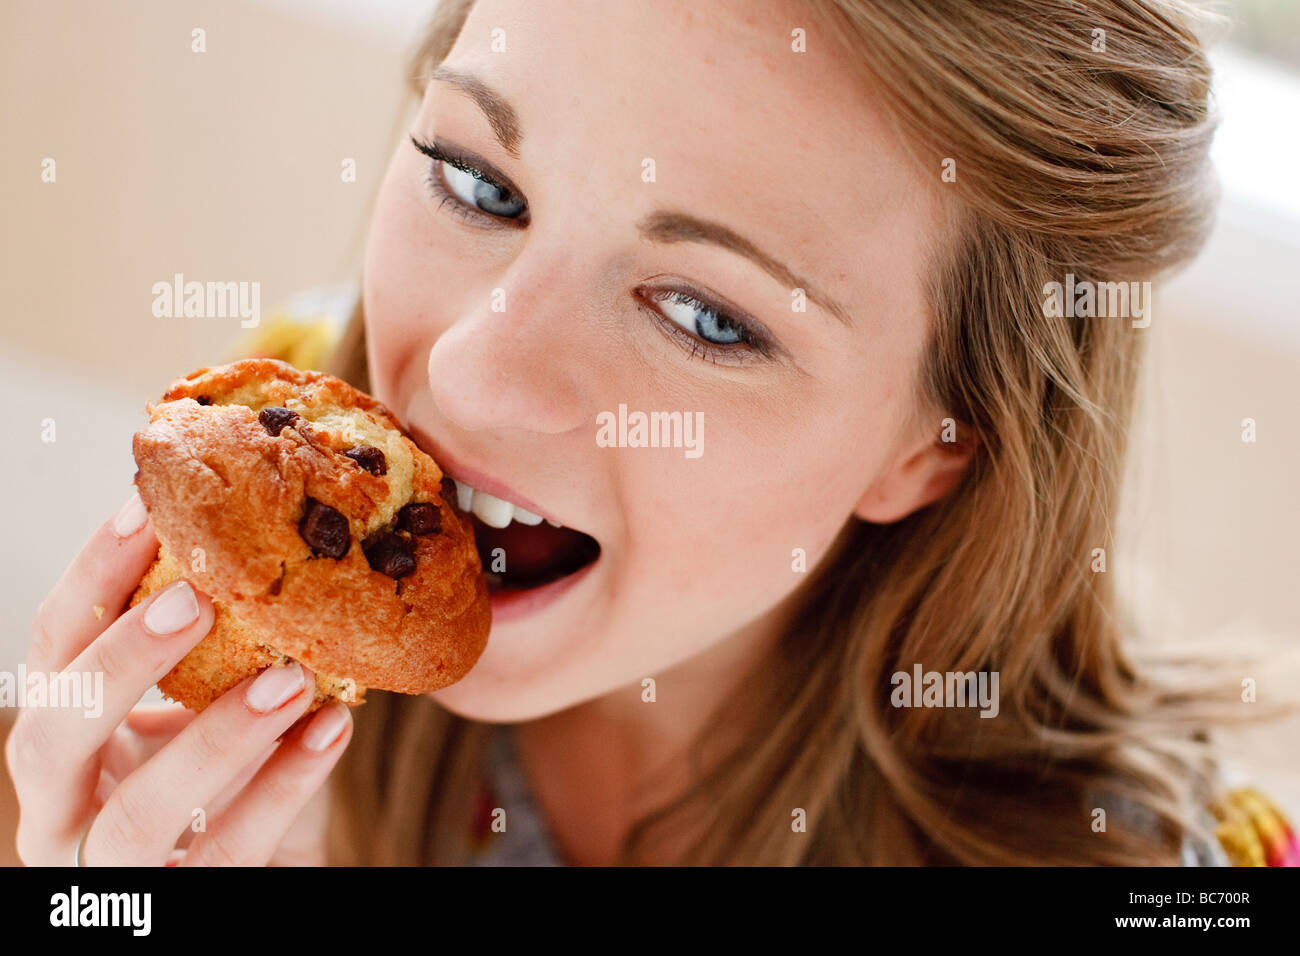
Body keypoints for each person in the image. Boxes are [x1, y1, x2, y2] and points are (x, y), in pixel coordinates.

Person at [6, 0, 1296, 867]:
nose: (471, 374)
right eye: (479, 182)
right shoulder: (275, 458)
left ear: (938, 444)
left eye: (705, 316)